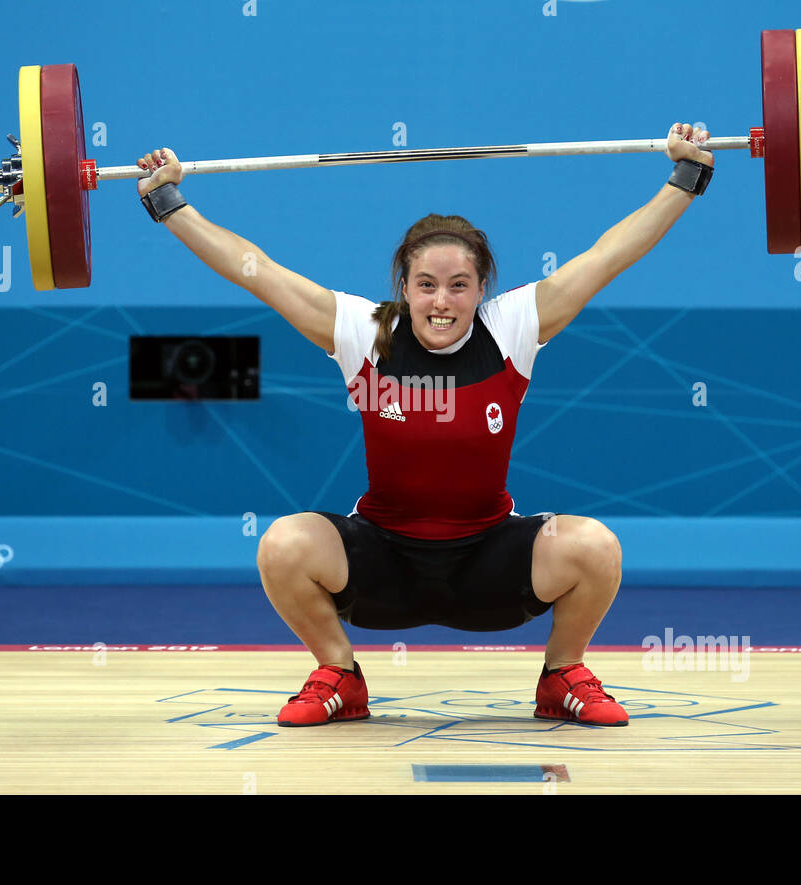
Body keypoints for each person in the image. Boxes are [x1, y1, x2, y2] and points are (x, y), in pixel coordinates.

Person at [136, 122, 715, 728]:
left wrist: (684, 176)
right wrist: (169, 202)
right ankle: (340, 675)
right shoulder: (364, 333)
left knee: (595, 546)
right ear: (403, 288)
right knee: (283, 543)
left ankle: (561, 674)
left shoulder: (511, 327)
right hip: (383, 561)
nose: (442, 301)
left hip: (489, 564)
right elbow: (256, 271)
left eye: (459, 286)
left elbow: (607, 257)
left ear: (481, 288)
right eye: (427, 285)